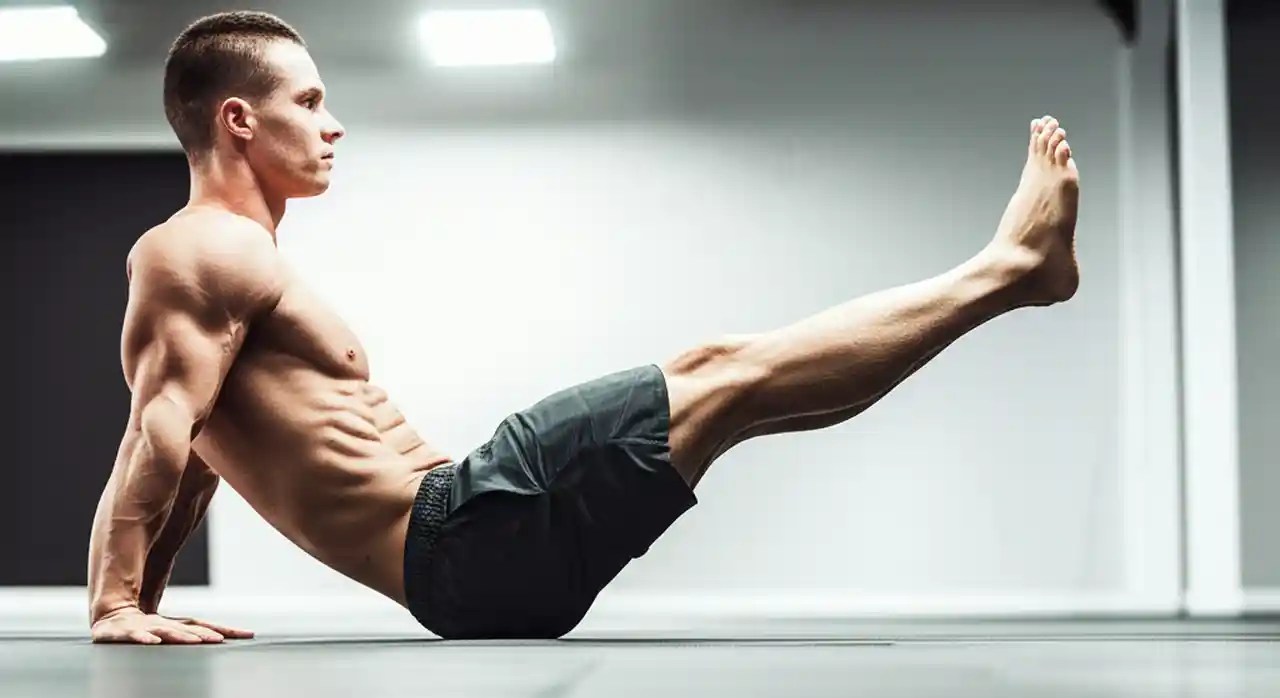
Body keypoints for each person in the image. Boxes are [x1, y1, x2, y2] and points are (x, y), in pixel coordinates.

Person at [88, 11, 1080, 643]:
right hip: (462, 536)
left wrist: (147, 599)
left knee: (730, 392)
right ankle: (1005, 272)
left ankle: (1007, 277)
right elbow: (160, 433)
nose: (332, 122)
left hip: (469, 563)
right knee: (726, 371)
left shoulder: (234, 264)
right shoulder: (197, 248)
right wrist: (115, 606)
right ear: (237, 122)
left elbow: (202, 450)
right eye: (308, 101)